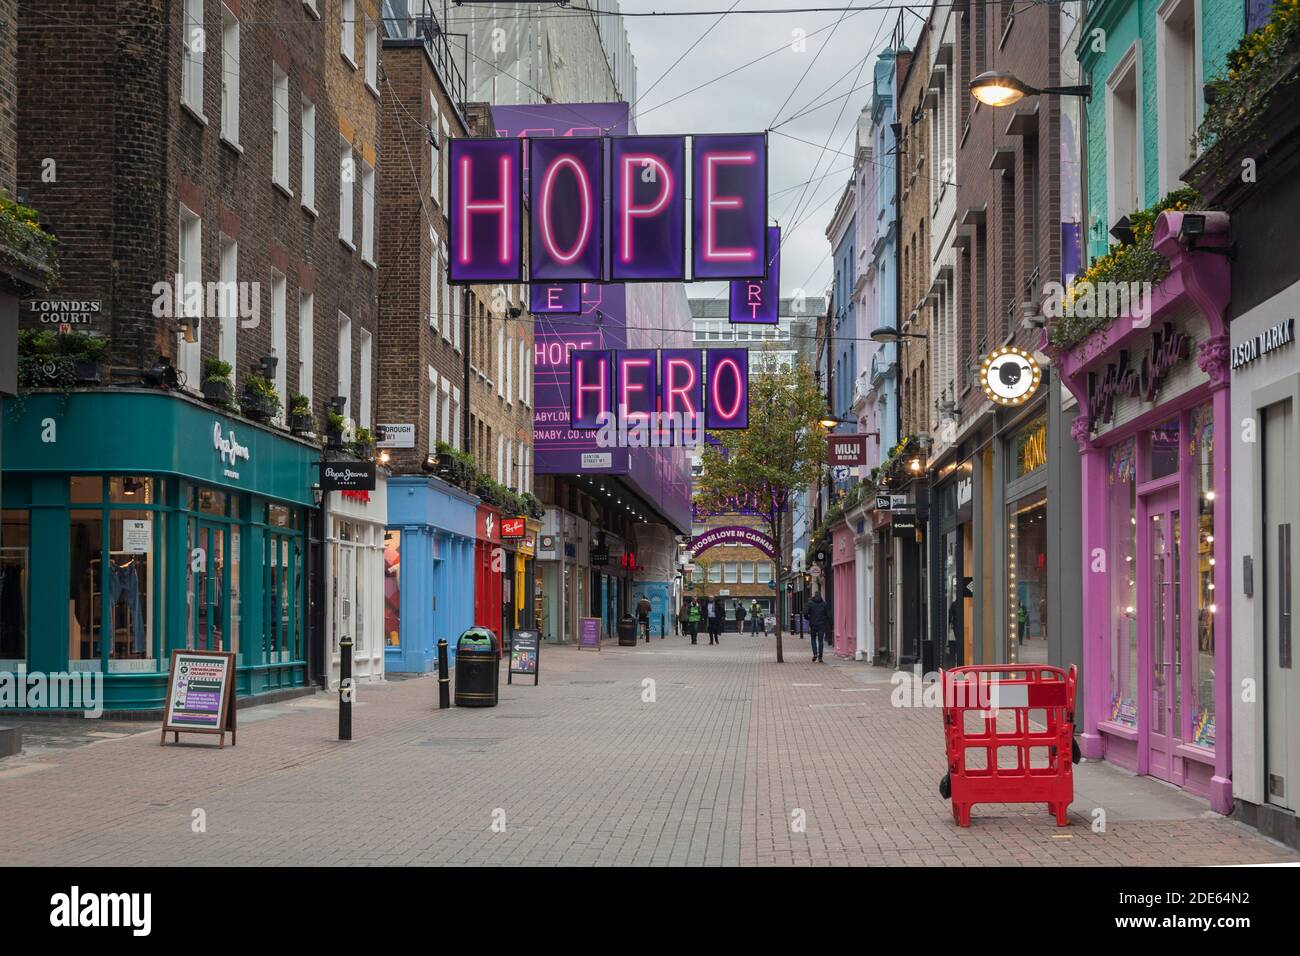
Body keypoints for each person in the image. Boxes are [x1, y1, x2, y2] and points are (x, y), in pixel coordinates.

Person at [805, 591, 830, 662]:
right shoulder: (824, 604)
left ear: (814, 596)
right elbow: (828, 615)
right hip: (821, 625)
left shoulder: (810, 604)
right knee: (820, 641)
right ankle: (820, 657)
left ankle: (815, 653)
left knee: (813, 639)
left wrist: (809, 619)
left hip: (813, 624)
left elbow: (805, 613)